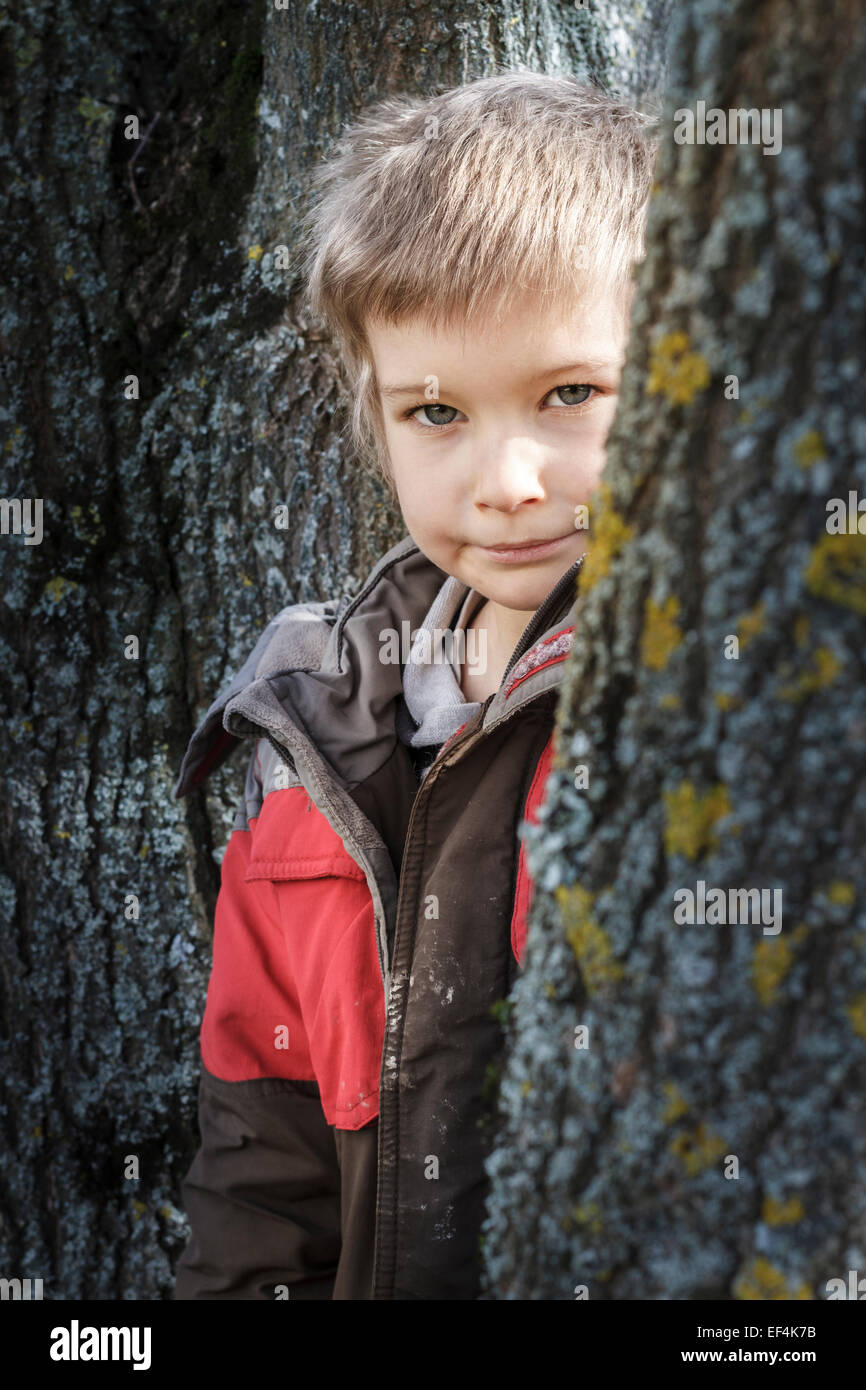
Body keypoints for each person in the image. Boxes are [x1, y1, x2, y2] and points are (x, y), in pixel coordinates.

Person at [173, 69, 658, 1300]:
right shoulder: (313, 755)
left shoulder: (722, 717)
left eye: (569, 395)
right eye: (435, 411)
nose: (505, 478)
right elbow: (260, 1180)